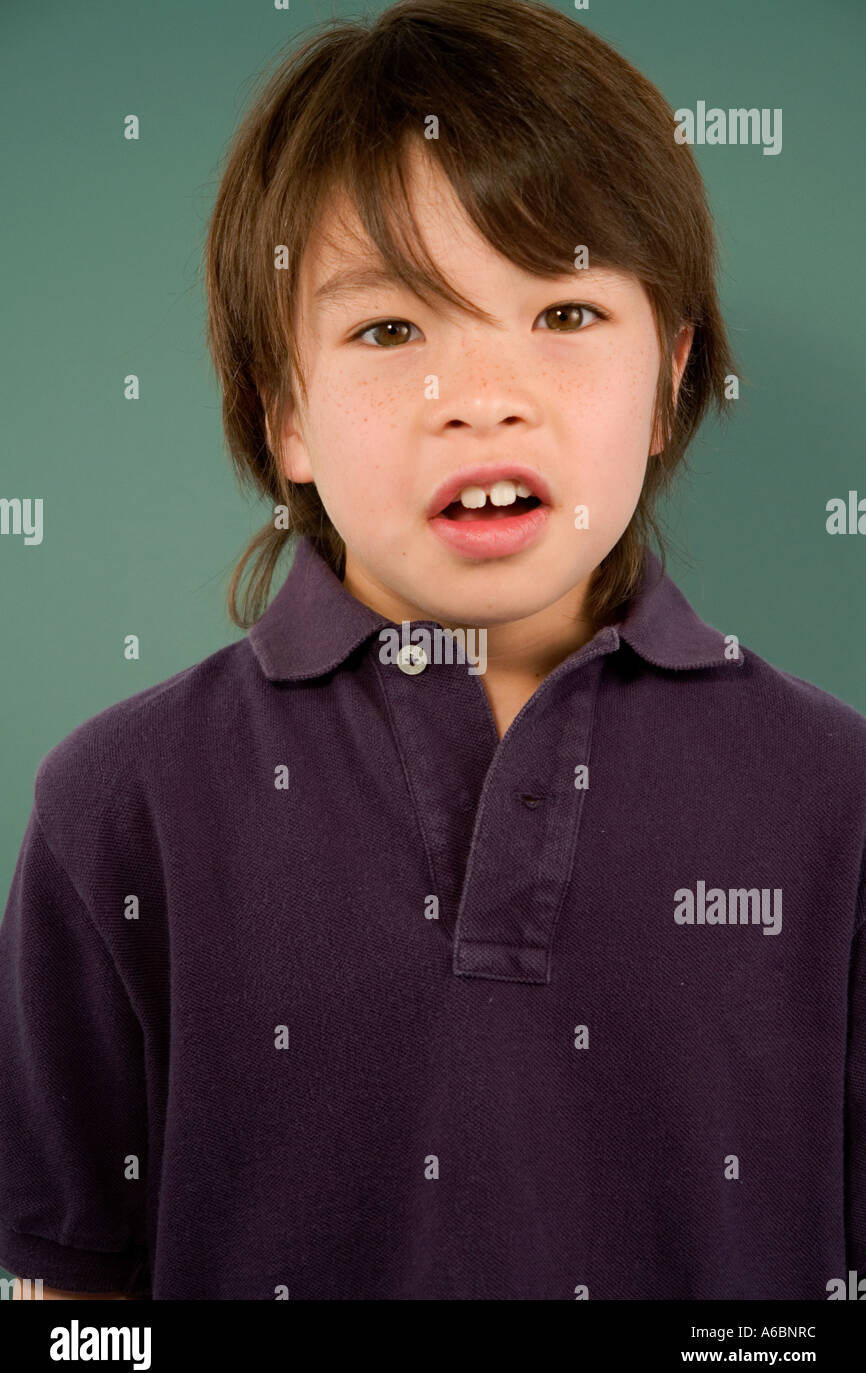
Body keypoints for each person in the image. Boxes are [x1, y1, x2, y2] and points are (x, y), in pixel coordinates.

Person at [2, 0, 865, 1300]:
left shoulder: (834, 795)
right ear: (283, 413)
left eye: (565, 314)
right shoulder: (118, 803)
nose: (481, 394)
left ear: (673, 377)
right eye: (390, 330)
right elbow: (79, 1304)